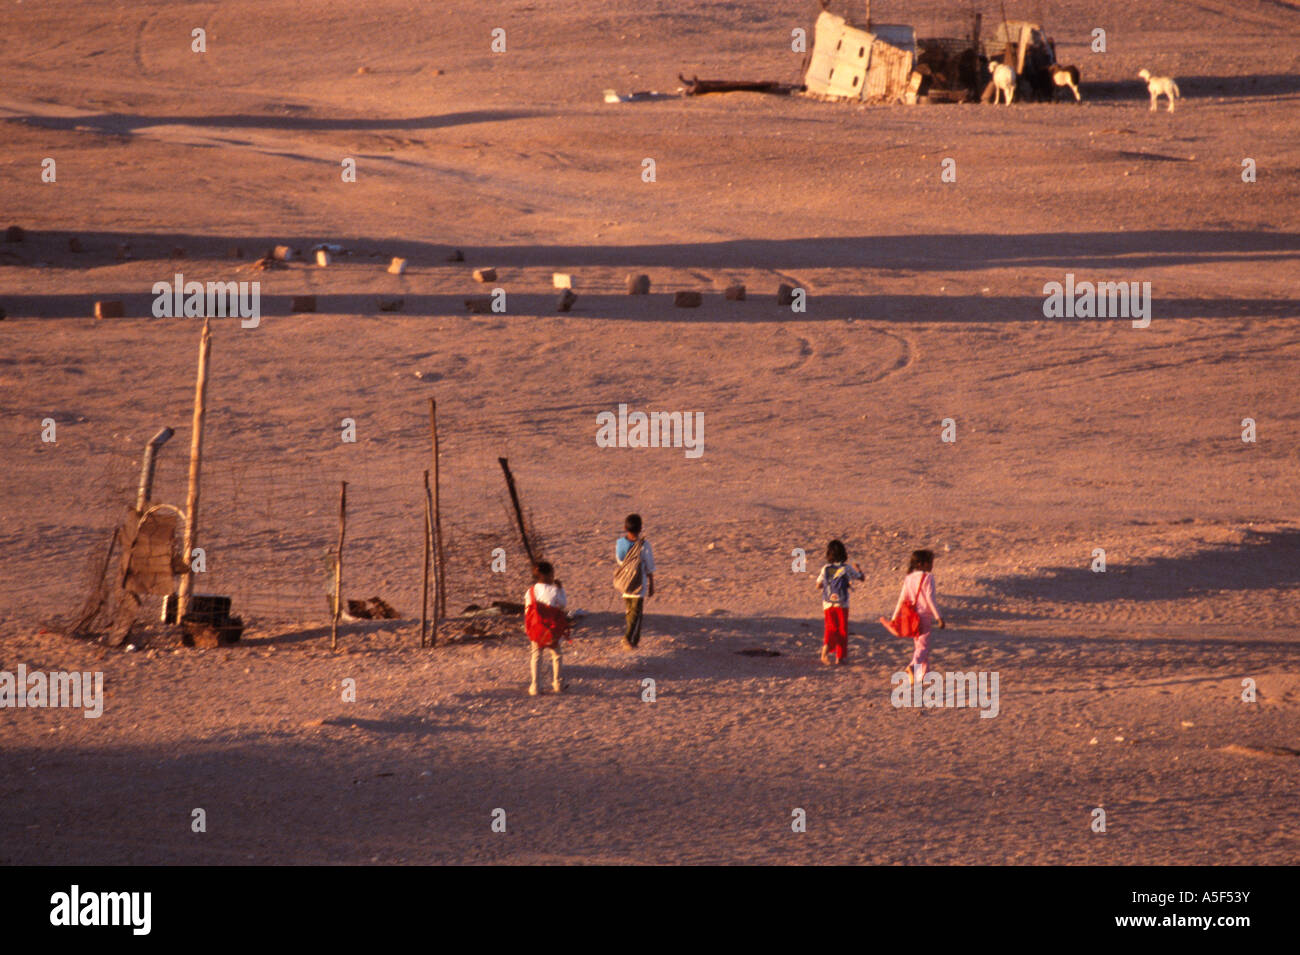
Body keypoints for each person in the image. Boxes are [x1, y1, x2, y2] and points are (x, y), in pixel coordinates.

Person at [891, 549, 945, 683]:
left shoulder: (908, 578)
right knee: (923, 646)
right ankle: (913, 666)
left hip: (911, 617)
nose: (932, 566)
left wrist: (894, 616)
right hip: (924, 616)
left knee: (919, 645)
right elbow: (930, 598)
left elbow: (902, 598)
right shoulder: (928, 577)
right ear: (922, 564)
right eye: (930, 563)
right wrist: (939, 617)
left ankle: (925, 674)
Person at [814, 539, 864, 665]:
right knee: (842, 629)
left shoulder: (825, 568)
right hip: (842, 603)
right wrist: (858, 569)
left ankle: (825, 652)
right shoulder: (846, 568)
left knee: (830, 628)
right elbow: (861, 578)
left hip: (827, 603)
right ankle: (840, 657)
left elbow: (818, 585)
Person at [524, 561, 569, 695]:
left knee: (536, 656)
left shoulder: (530, 591)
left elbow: (527, 610)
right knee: (556, 654)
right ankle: (558, 683)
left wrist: (529, 628)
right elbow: (563, 604)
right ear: (549, 575)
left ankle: (536, 686)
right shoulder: (554, 590)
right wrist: (561, 588)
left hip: (536, 629)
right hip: (552, 629)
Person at [614, 513, 655, 649]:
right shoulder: (644, 544)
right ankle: (629, 639)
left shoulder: (620, 543)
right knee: (637, 612)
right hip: (639, 581)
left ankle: (630, 639)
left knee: (629, 610)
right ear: (640, 528)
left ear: (625, 528)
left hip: (624, 580)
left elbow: (619, 560)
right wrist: (651, 584)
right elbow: (649, 565)